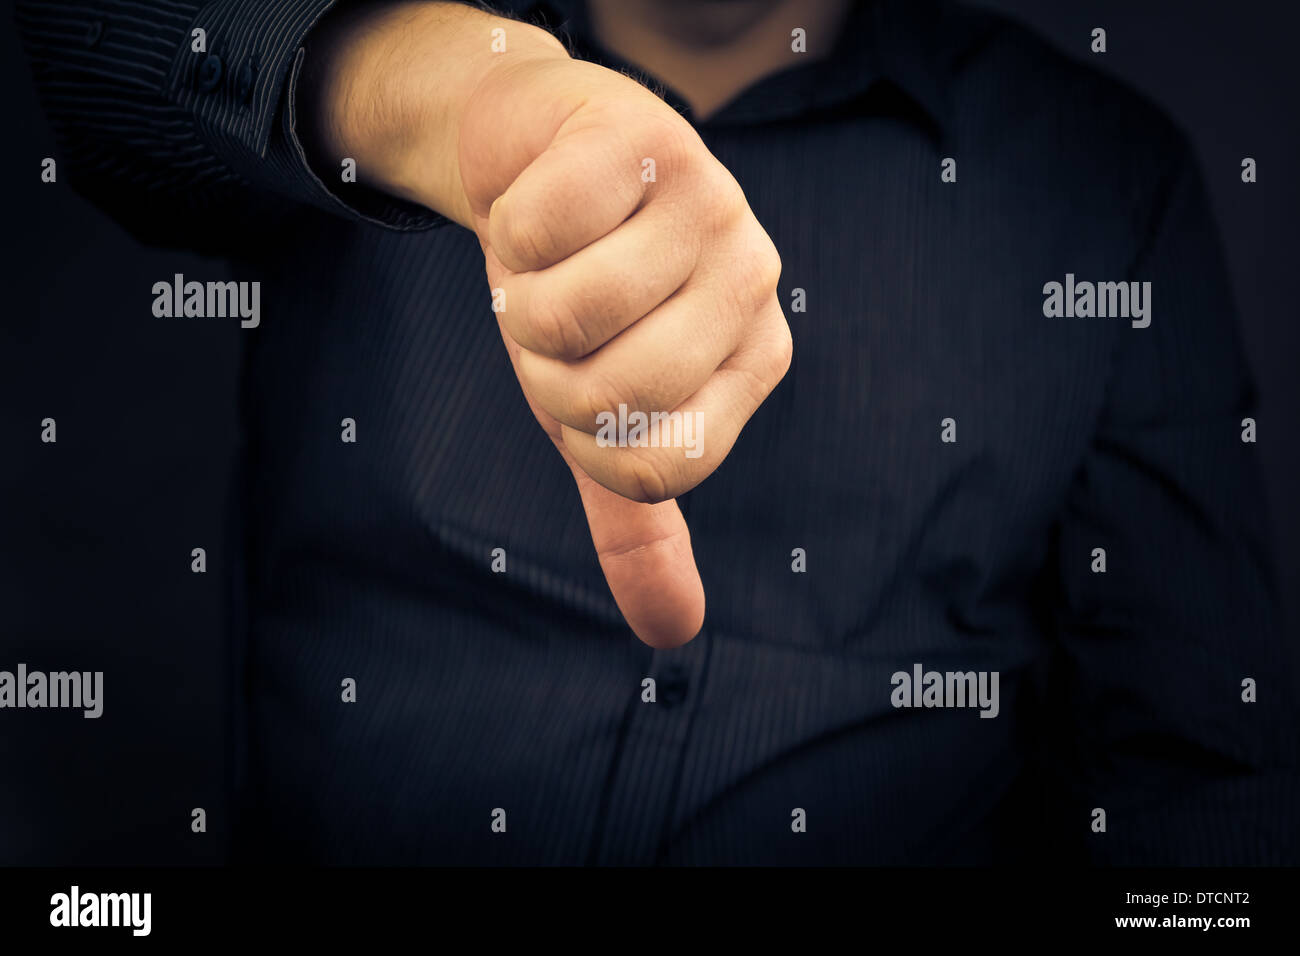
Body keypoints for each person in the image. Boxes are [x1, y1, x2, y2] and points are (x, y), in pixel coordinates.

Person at [18, 0, 1297, 864]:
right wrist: (431, 92)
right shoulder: (383, 66)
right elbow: (93, 49)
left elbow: (1200, 769)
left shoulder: (1096, 180)